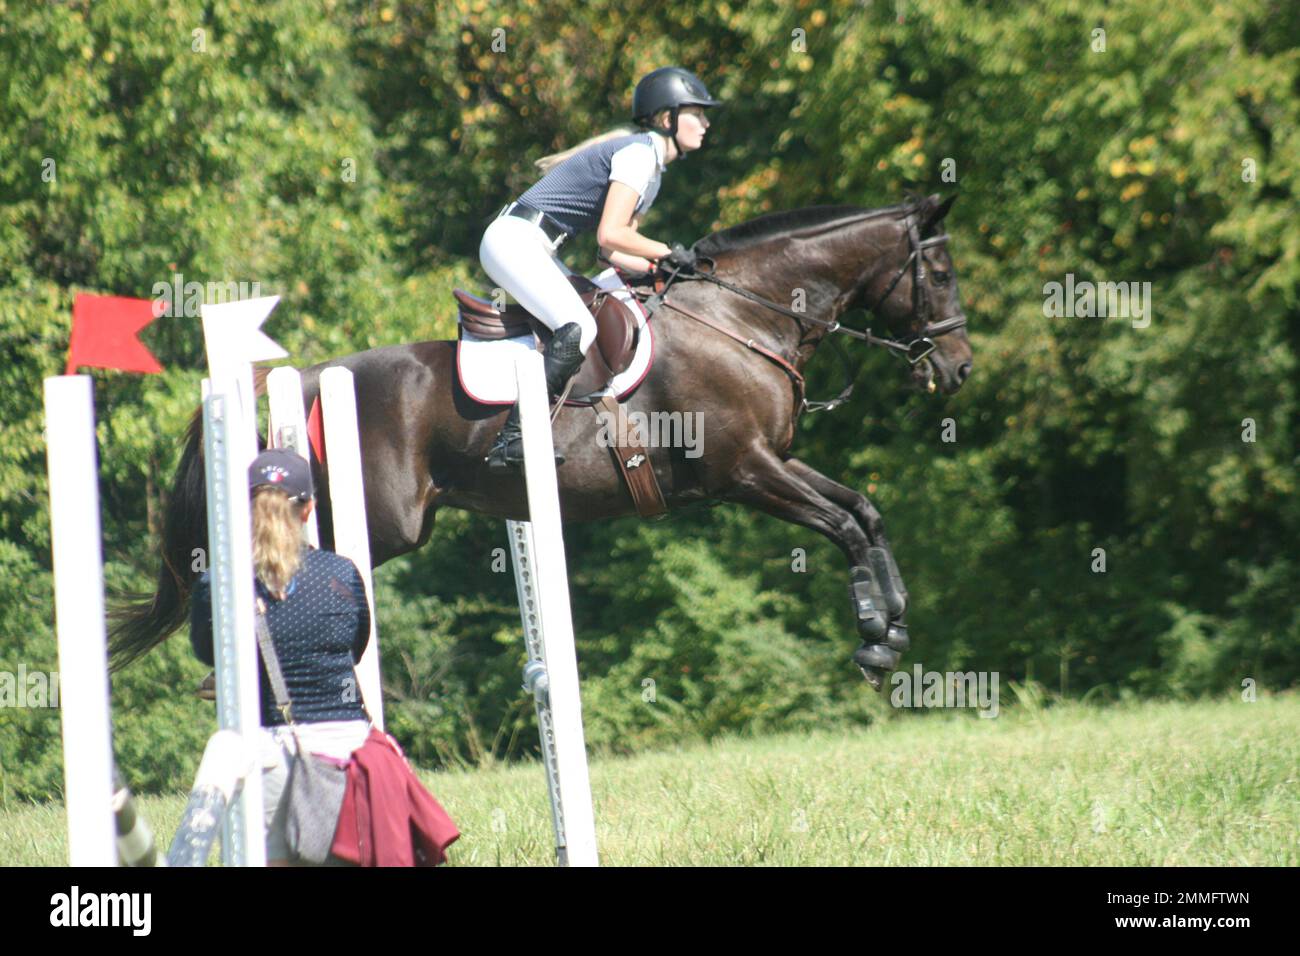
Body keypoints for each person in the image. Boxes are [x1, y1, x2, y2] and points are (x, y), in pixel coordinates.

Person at [479, 66, 722, 470]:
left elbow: (610, 256)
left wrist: (668, 269)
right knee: (580, 327)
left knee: (597, 309)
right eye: (697, 113)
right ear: (668, 119)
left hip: (535, 244)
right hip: (514, 240)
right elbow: (610, 234)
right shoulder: (639, 155)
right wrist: (665, 251)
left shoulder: (652, 170)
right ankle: (513, 438)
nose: (706, 122)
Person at [190, 448, 374, 866]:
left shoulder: (218, 581)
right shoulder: (342, 573)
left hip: (269, 752)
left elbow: (207, 651)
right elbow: (355, 647)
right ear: (308, 509)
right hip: (349, 752)